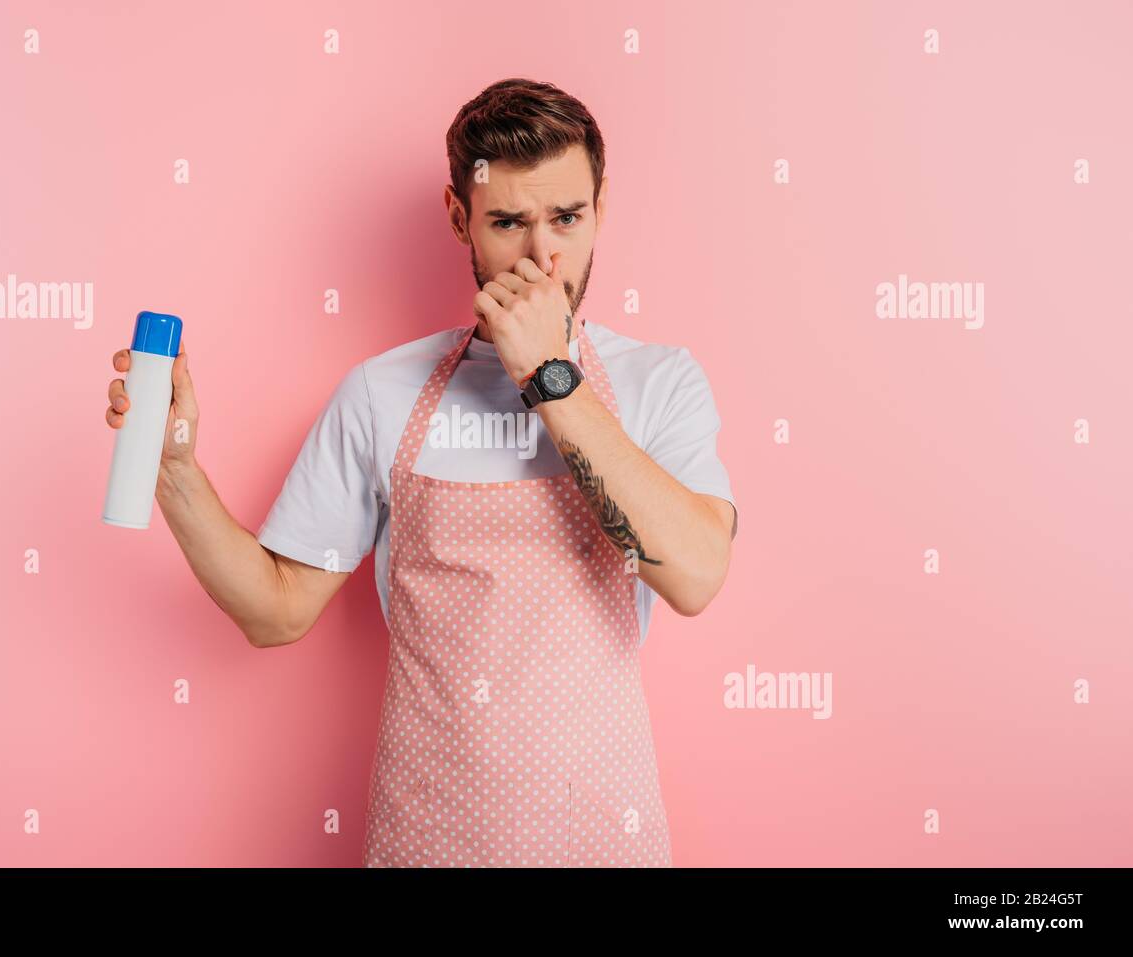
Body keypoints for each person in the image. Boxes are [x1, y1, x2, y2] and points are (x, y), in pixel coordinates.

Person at [104, 78, 738, 867]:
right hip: (429, 839)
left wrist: (549, 373)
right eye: (508, 222)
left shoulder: (660, 383)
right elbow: (276, 612)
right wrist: (172, 469)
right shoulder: (383, 393)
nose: (544, 256)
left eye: (567, 219)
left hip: (606, 836)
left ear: (601, 208)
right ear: (458, 217)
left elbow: (696, 575)